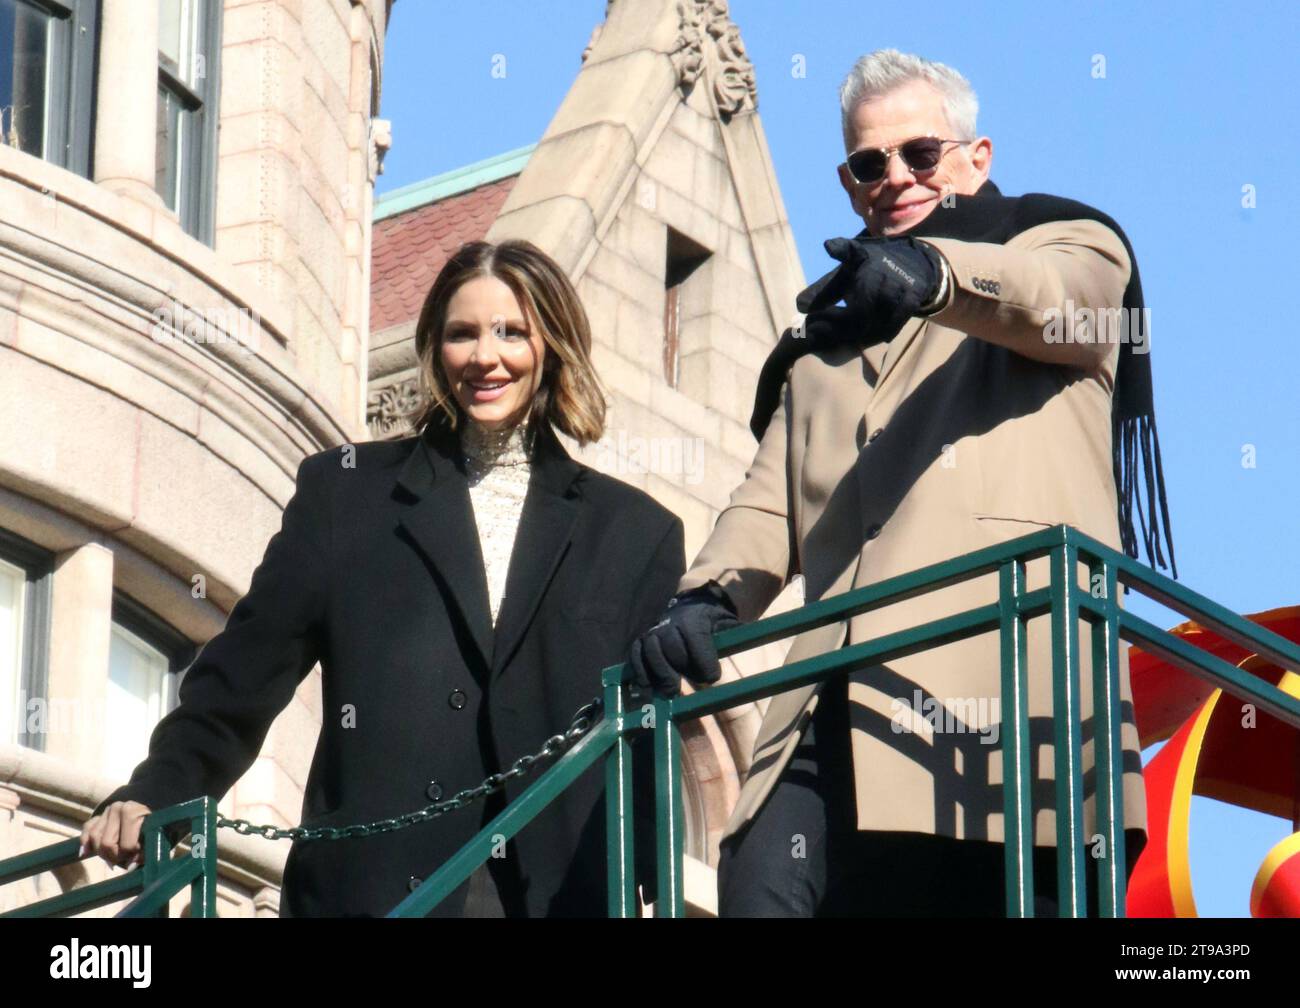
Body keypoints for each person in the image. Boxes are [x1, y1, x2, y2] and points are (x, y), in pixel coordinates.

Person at [630, 49, 1175, 917]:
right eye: (869, 163)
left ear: (976, 158)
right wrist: (704, 602)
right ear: (849, 185)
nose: (896, 178)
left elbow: (1061, 301)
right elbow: (767, 505)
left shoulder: (1068, 239)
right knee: (762, 887)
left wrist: (938, 277)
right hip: (831, 696)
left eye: (921, 154)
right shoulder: (823, 347)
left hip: (1002, 687)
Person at [82, 239, 684, 917]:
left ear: (555, 344)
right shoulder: (346, 496)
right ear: (435, 348)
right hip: (374, 894)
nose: (486, 356)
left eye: (512, 332)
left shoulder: (637, 535)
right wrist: (158, 790)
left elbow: (647, 750)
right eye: (463, 334)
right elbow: (243, 674)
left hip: (552, 901)